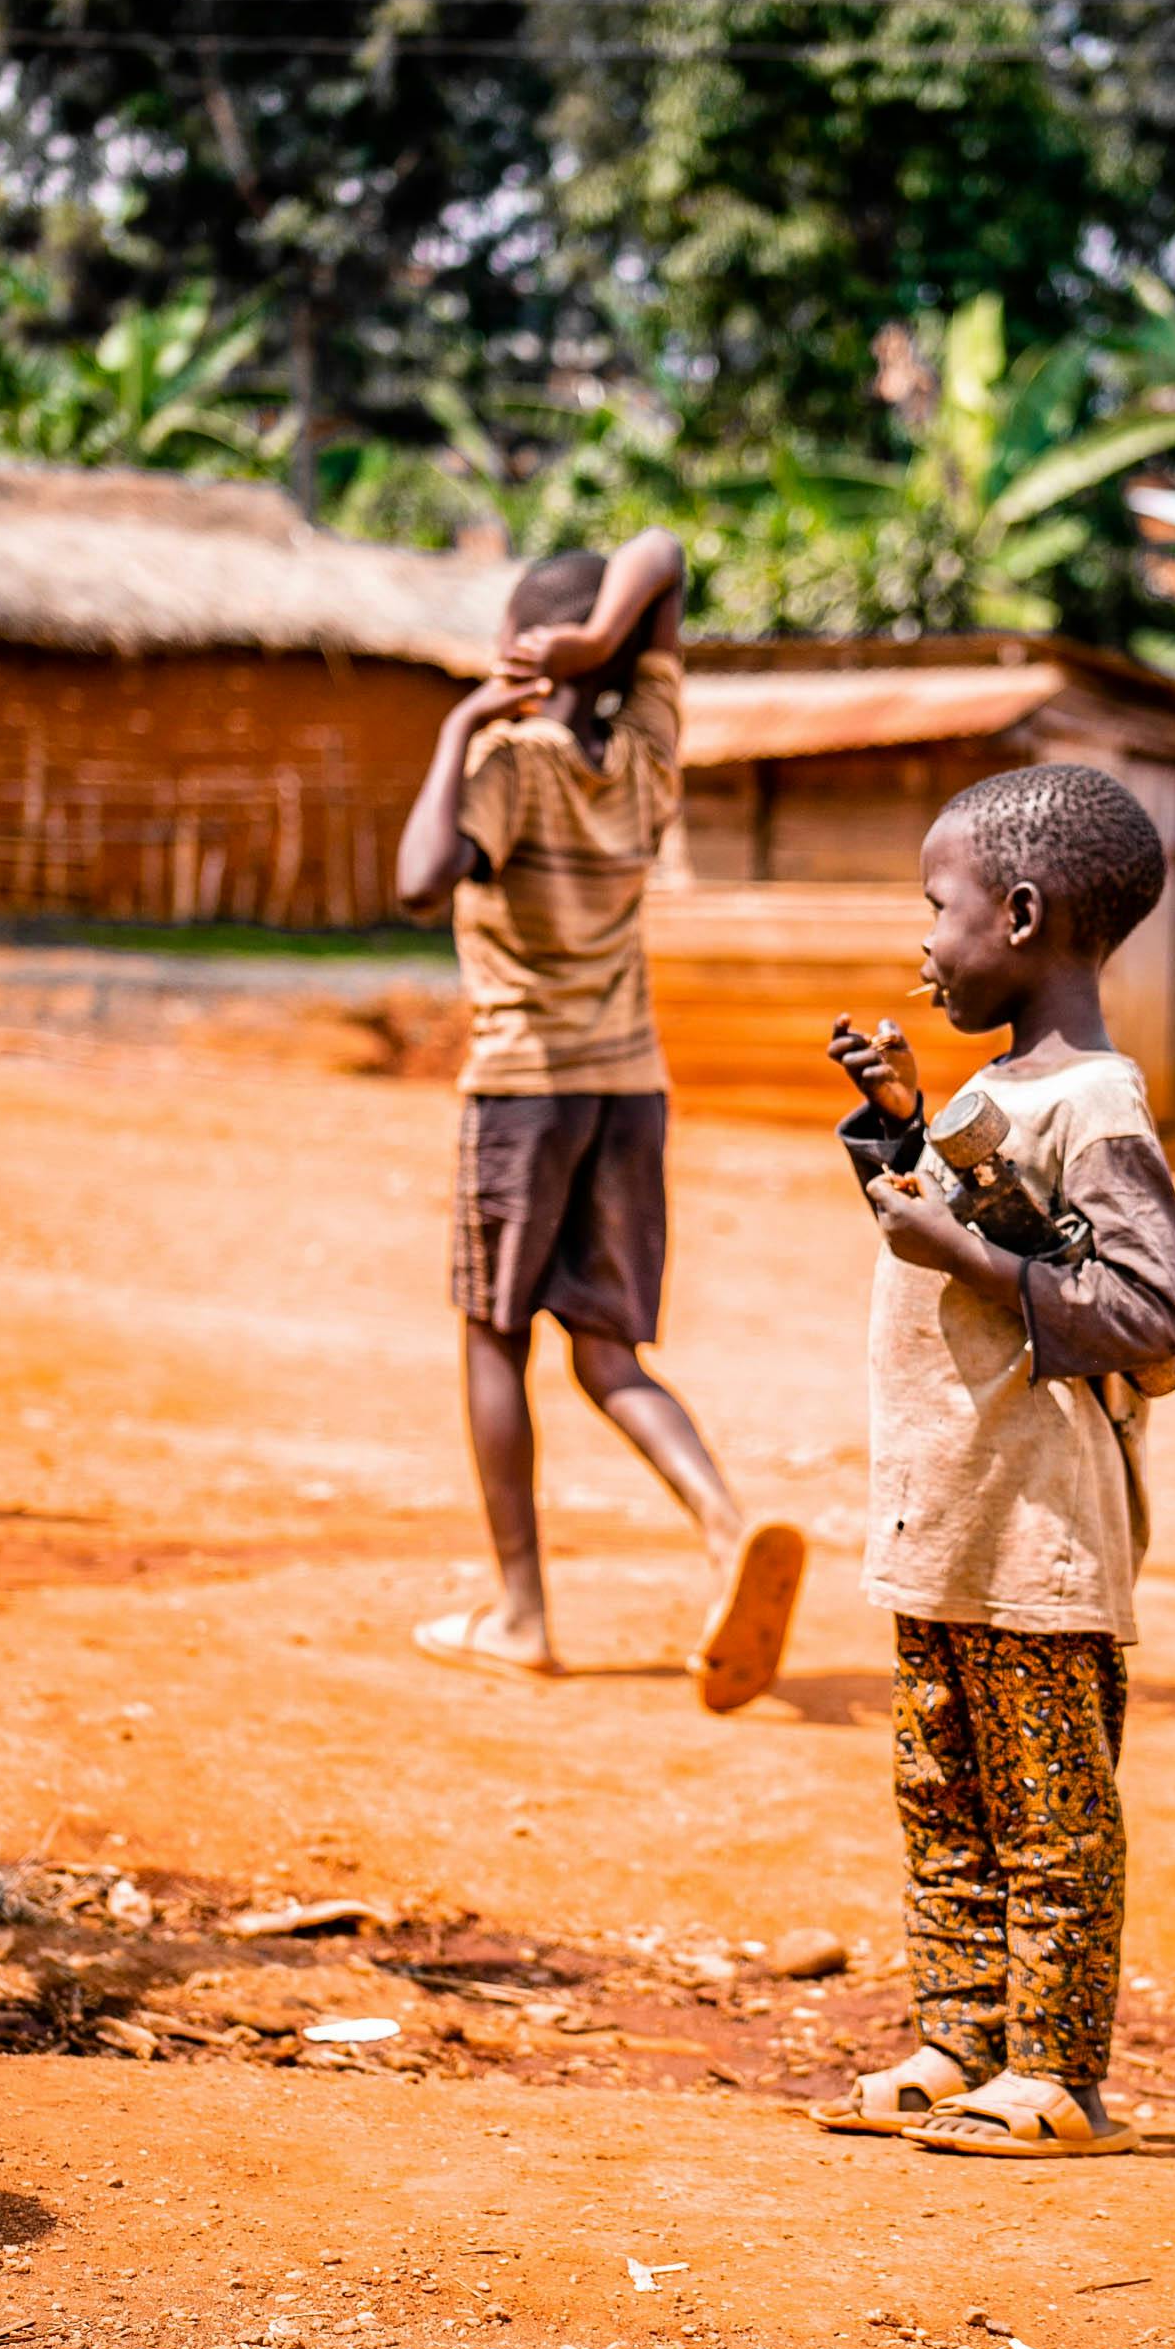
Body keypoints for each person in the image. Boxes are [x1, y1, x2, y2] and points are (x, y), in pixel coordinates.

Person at [813, 763, 1175, 2156]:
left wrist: (965, 1249)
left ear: (1021, 915)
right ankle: (958, 2038)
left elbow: (1151, 1312)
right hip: (951, 1518)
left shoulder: (1098, 1106)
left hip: (1040, 1533)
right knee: (945, 1788)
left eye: (940, 907)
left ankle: (1055, 2072)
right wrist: (911, 1125)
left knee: (1051, 1810)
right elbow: (1023, 1236)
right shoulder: (1002, 1091)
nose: (924, 940)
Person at [394, 526, 804, 1712]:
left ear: (518, 648)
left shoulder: (510, 761)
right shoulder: (646, 753)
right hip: (628, 1087)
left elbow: (422, 880)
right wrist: (607, 632)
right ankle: (726, 1528)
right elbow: (665, 550)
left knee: (493, 1338)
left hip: (524, 1086)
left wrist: (458, 727)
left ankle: (521, 1614)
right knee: (608, 1351)